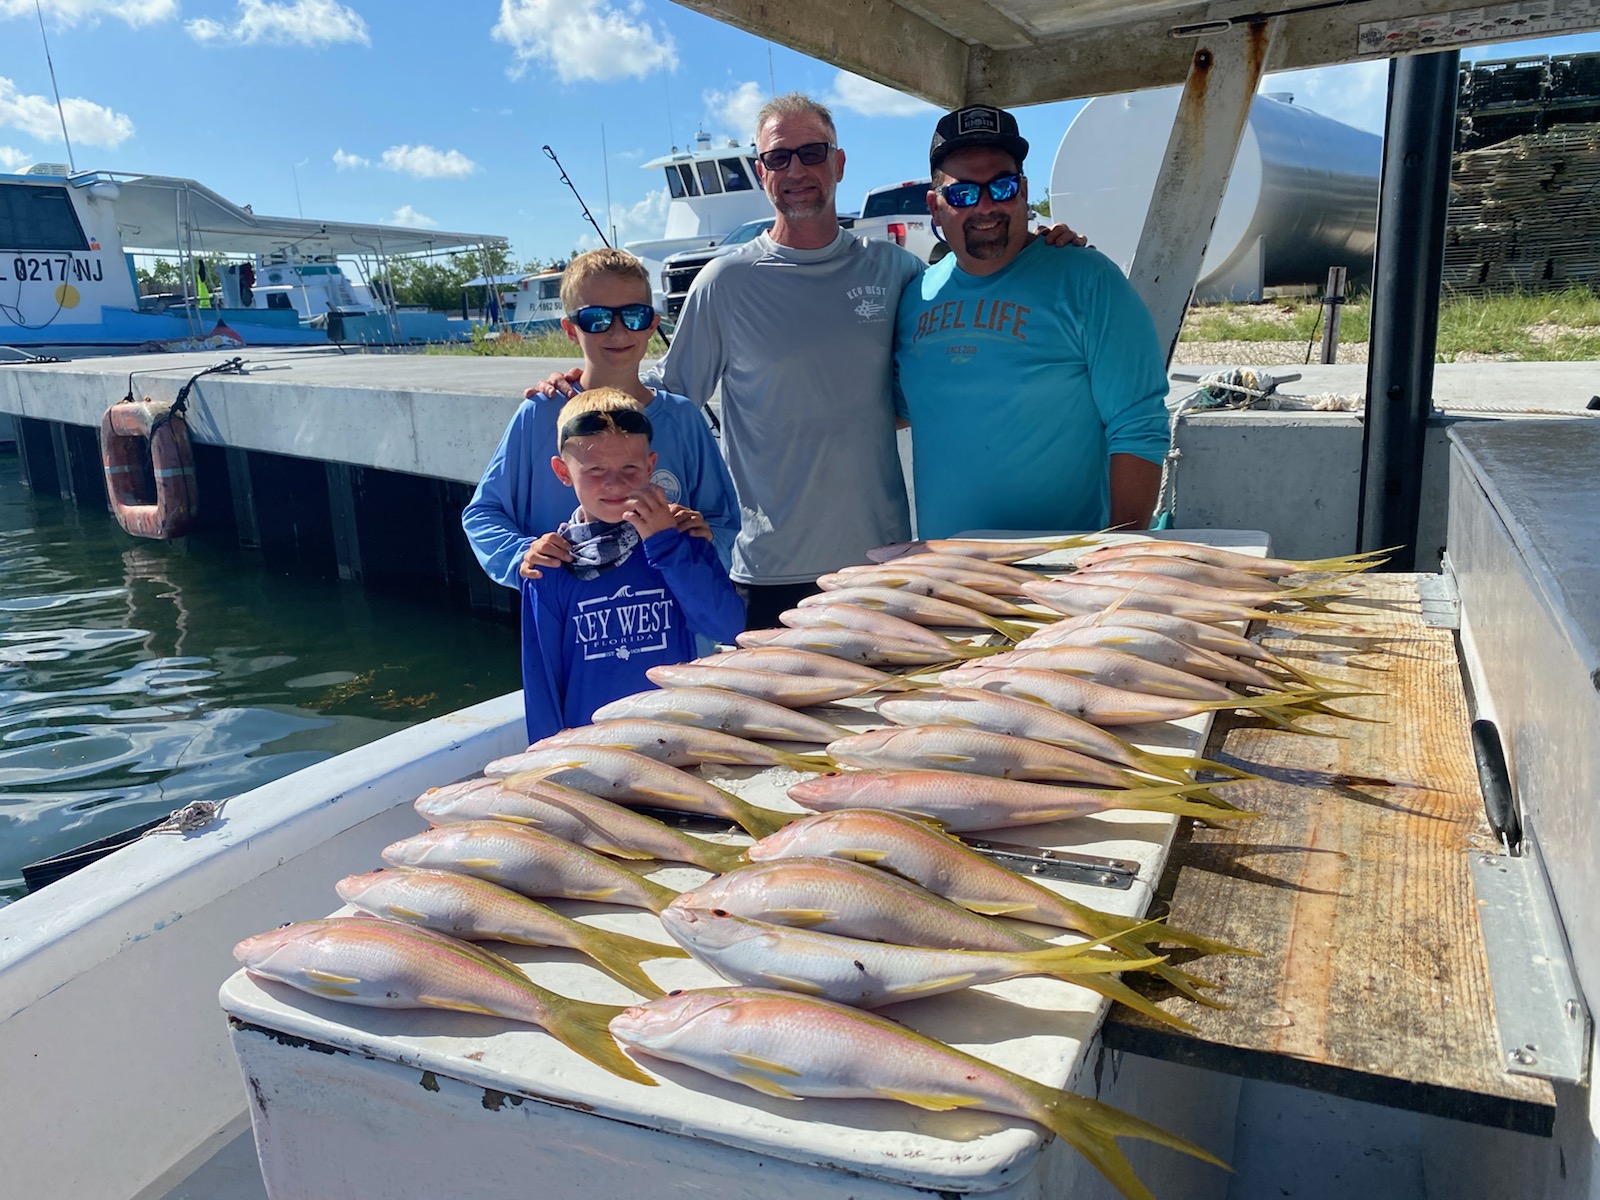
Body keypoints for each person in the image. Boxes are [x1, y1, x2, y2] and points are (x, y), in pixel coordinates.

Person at [533, 95, 1084, 630]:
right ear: (761, 170)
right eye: (778, 157)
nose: (796, 169)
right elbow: (668, 397)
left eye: (813, 153)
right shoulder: (723, 283)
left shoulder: (897, 271)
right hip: (769, 572)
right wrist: (581, 385)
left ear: (839, 163)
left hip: (884, 563)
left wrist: (1039, 249)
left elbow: (969, 311)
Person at [894, 104, 1170, 538]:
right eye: (963, 193)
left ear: (1022, 190)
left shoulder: (1089, 281)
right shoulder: (914, 297)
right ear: (935, 205)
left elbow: (1139, 427)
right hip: (946, 574)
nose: (985, 206)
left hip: (1063, 572)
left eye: (1001, 187)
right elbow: (898, 410)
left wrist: (1116, 554)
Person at [462, 248, 739, 589]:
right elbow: (484, 513)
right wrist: (522, 555)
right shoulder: (539, 414)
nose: (618, 332)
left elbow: (725, 522)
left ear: (653, 323)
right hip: (572, 630)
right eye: (596, 318)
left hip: (675, 631)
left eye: (634, 316)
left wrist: (706, 540)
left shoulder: (683, 418)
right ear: (569, 328)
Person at [518, 390, 744, 742]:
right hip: (593, 751)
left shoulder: (681, 538)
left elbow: (728, 627)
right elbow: (541, 683)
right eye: (595, 469)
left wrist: (667, 545)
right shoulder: (549, 566)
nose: (615, 483)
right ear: (562, 472)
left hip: (677, 742)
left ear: (651, 466)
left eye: (630, 468)